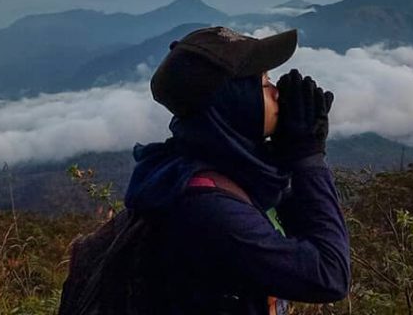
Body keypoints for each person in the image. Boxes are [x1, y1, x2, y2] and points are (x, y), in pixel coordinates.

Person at [124, 26, 351, 314]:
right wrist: (308, 157)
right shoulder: (208, 208)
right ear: (235, 100)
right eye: (265, 82)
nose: (278, 93)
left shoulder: (205, 164)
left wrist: (289, 153)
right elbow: (330, 276)